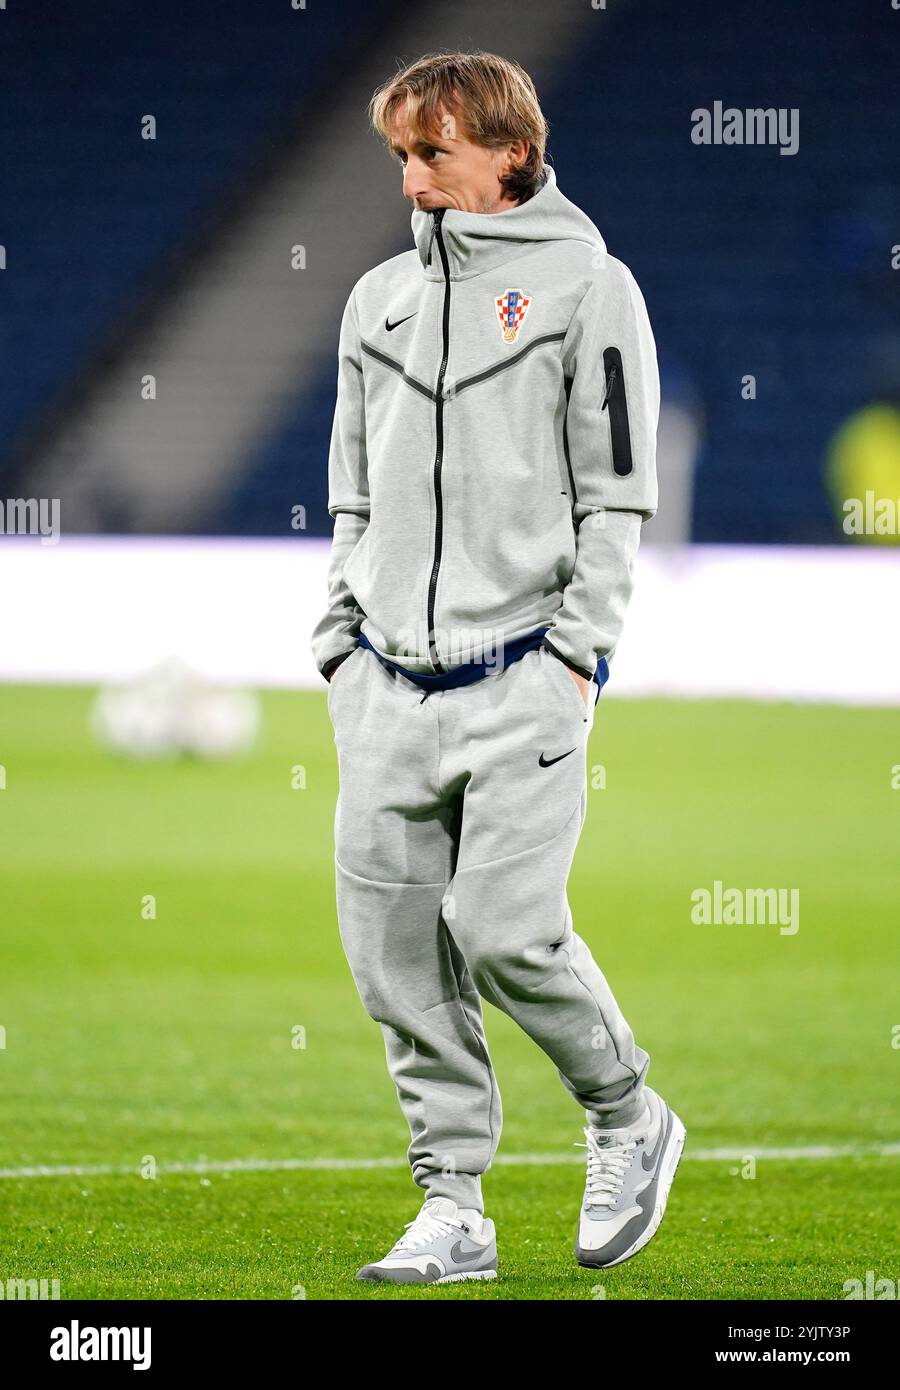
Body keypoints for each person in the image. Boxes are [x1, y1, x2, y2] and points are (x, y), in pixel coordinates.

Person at [310, 50, 685, 1285]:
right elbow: (350, 494)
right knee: (397, 957)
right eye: (403, 158)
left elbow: (619, 496)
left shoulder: (592, 287)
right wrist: (341, 646)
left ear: (509, 151)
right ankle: (453, 1206)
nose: (413, 180)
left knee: (507, 930)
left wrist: (578, 658)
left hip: (522, 670)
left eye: (435, 154)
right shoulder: (376, 304)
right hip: (385, 685)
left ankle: (628, 1110)